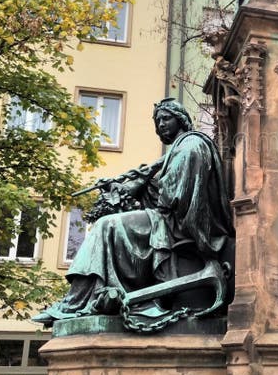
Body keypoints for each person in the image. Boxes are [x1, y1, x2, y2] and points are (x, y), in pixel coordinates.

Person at [34, 98, 234, 331]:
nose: (161, 124)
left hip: (177, 224)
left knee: (107, 226)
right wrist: (125, 187)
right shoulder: (177, 150)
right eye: (158, 121)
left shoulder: (193, 144)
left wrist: (147, 181)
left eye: (166, 118)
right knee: (107, 225)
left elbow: (176, 196)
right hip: (166, 219)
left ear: (181, 119)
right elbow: (163, 190)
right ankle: (86, 299)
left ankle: (76, 302)